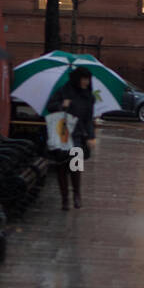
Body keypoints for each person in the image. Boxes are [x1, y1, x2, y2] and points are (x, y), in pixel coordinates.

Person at [47, 66, 97, 209]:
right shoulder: (64, 91)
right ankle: (65, 199)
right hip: (62, 133)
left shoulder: (88, 96)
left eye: (88, 79)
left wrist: (91, 136)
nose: (86, 82)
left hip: (77, 134)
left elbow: (88, 118)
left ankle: (76, 195)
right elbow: (50, 106)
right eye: (84, 79)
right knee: (62, 166)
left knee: (75, 166)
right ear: (77, 79)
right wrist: (62, 104)